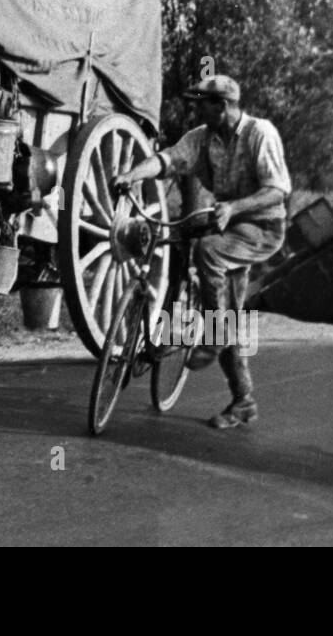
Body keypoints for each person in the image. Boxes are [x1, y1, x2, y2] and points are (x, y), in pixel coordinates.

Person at [111, 75, 291, 430]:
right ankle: (238, 395)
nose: (196, 108)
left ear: (222, 106)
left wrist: (235, 208)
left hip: (262, 227)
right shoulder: (202, 137)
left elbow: (278, 190)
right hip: (226, 224)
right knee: (180, 242)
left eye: (202, 102)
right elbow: (168, 160)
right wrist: (132, 175)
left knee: (209, 253)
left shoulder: (260, 133)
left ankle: (214, 336)